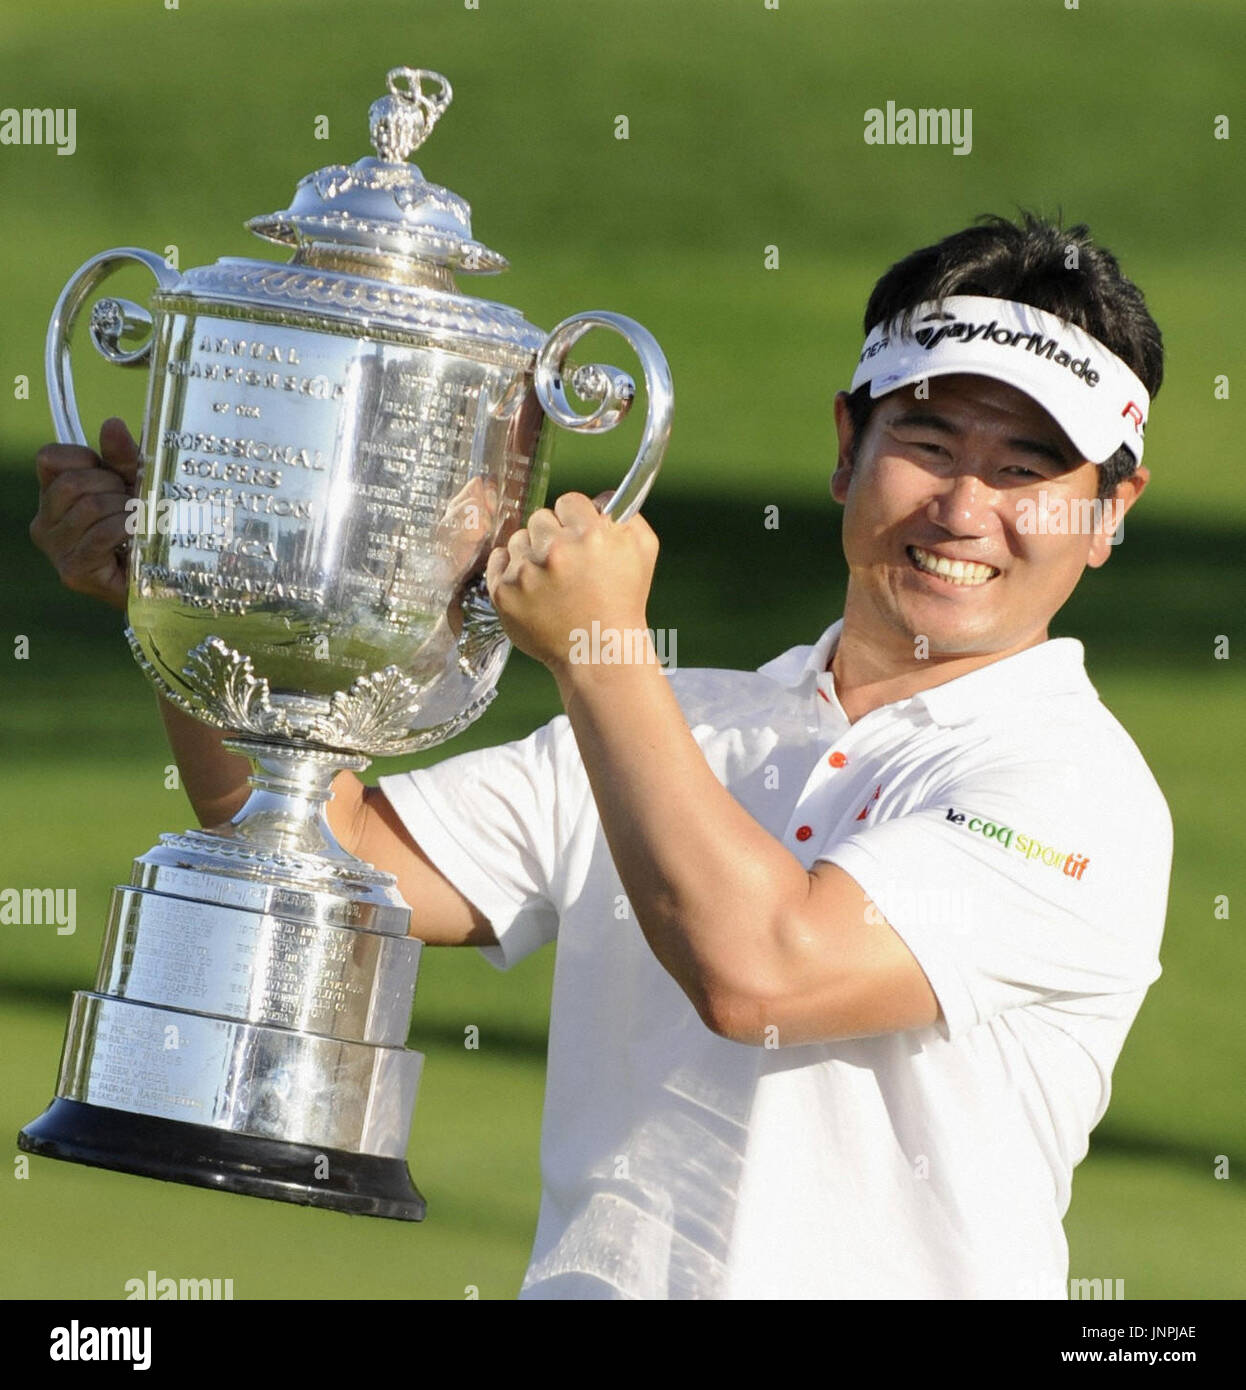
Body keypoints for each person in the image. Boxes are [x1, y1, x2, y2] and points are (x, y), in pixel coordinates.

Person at [31, 210, 1171, 1300]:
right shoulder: (683, 721)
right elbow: (309, 845)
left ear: (1111, 512)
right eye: (925, 442)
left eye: (1027, 470)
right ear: (845, 447)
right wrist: (187, 600)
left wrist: (600, 650)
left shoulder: (1077, 790)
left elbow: (763, 972)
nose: (963, 509)